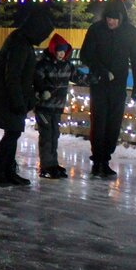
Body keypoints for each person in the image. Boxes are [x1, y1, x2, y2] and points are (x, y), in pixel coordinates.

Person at [0, 9, 54, 186]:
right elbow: (12, 76)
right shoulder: (19, 43)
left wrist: (41, 86)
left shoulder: (23, 41)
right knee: (12, 134)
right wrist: (18, 102)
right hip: (7, 99)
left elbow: (29, 72)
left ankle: (7, 171)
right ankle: (0, 172)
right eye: (43, 34)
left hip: (11, 97)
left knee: (12, 134)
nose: (42, 39)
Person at [78, 0, 136, 178]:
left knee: (114, 124)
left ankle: (105, 159)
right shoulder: (96, 30)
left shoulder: (130, 32)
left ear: (121, 18)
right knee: (99, 122)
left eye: (114, 18)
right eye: (108, 18)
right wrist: (101, 71)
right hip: (99, 84)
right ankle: (97, 160)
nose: (110, 21)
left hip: (118, 86)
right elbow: (85, 54)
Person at [33, 33, 88, 179]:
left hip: (57, 107)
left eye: (63, 51)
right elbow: (36, 80)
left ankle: (52, 163)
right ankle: (46, 166)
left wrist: (98, 78)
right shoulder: (43, 64)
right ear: (53, 50)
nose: (60, 54)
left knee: (54, 135)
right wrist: (42, 91)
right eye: (58, 51)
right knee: (47, 135)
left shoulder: (67, 66)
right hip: (43, 107)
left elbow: (80, 78)